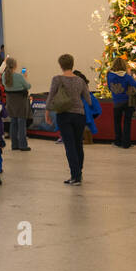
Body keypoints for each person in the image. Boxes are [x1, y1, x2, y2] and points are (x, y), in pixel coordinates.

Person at [47, 53, 93, 186]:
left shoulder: (57, 79)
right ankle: (79, 173)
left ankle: (75, 176)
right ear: (72, 64)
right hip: (79, 115)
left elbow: (50, 96)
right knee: (78, 145)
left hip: (64, 114)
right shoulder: (80, 80)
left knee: (70, 146)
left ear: (61, 65)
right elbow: (89, 100)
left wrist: (47, 112)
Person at [106, 59, 136, 149]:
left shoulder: (109, 75)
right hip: (127, 102)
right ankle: (126, 143)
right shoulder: (127, 76)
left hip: (116, 102)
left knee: (117, 122)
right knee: (127, 123)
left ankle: (118, 141)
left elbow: (109, 87)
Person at [2, 57, 32, 151]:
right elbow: (28, 86)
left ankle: (14, 144)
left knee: (13, 123)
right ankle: (23, 145)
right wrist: (25, 77)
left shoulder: (4, 76)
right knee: (21, 123)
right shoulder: (19, 76)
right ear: (15, 65)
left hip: (10, 101)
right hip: (21, 102)